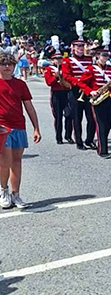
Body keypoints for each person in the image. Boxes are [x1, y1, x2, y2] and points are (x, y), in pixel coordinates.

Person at [0, 53, 41, 210]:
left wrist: (36, 127)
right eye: (4, 64)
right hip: (2, 127)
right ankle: (4, 190)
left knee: (17, 161)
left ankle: (16, 194)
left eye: (10, 64)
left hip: (19, 126)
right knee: (5, 161)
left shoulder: (20, 84)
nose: (7, 67)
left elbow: (28, 106)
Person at [80, 46, 111, 158]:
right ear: (97, 55)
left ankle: (102, 142)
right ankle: (103, 150)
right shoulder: (91, 69)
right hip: (97, 99)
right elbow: (82, 83)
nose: (105, 57)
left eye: (107, 55)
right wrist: (90, 91)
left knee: (108, 123)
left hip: (109, 98)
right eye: (103, 55)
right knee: (101, 124)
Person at [61, 36, 96, 150]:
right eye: (78, 46)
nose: (80, 48)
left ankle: (90, 140)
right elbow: (66, 75)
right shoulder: (67, 60)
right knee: (77, 117)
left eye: (82, 46)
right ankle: (79, 141)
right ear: (73, 48)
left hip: (89, 90)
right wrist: (78, 82)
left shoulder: (89, 59)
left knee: (91, 117)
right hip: (76, 90)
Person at [43, 43, 73, 144]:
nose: (59, 60)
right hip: (56, 94)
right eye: (56, 59)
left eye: (60, 58)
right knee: (58, 116)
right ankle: (59, 137)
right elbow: (49, 83)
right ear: (52, 60)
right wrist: (56, 77)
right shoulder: (49, 70)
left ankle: (68, 135)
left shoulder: (67, 68)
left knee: (69, 114)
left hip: (66, 93)